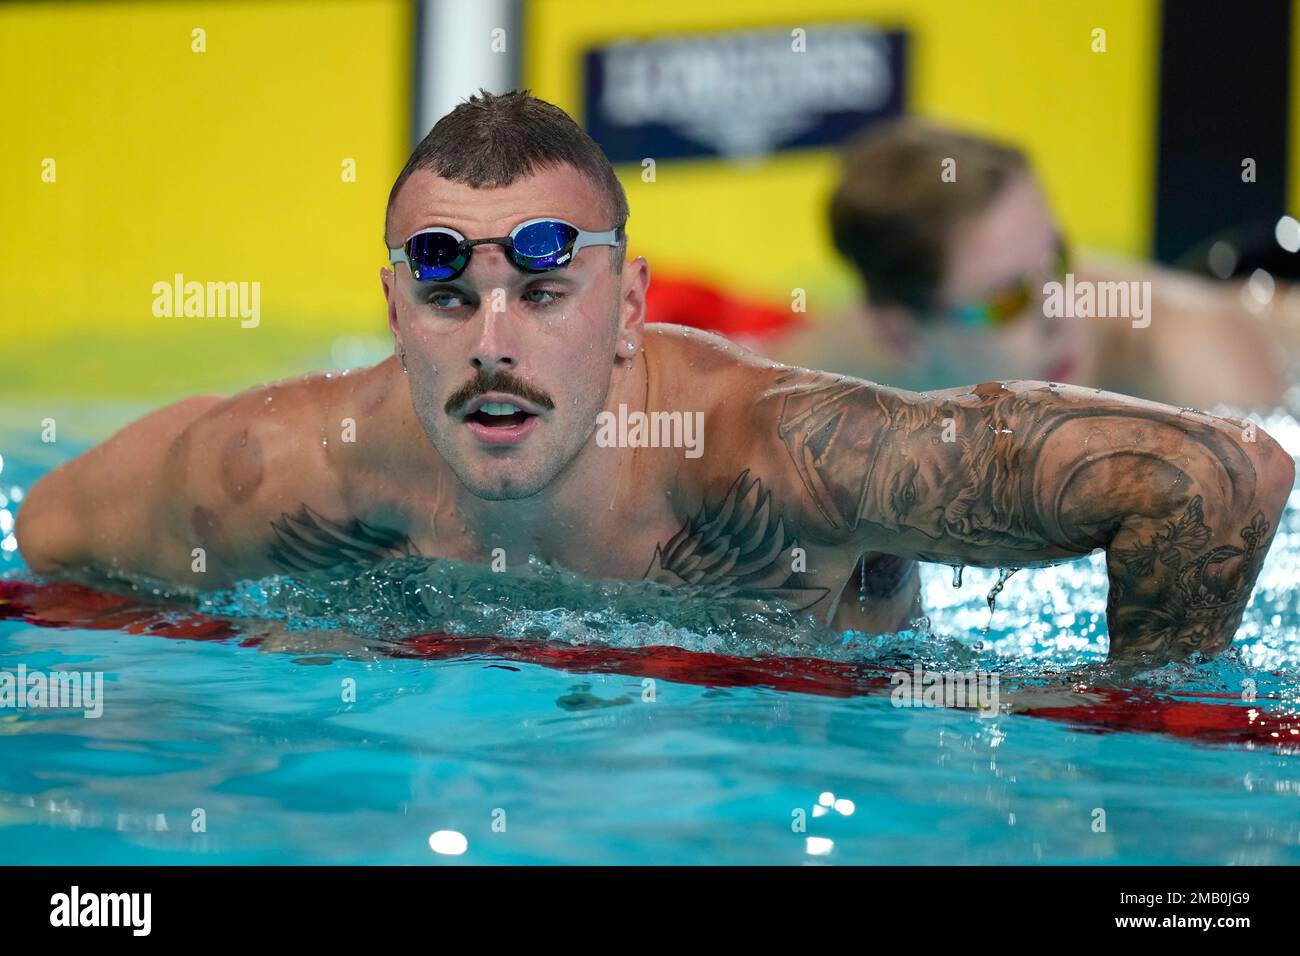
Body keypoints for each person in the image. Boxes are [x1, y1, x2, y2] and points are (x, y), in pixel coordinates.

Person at [15, 91, 1294, 665]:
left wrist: (1132, 738)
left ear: (629, 310)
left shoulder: (785, 459)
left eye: (545, 292)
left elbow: (1221, 471)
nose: (493, 342)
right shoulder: (276, 472)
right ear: (394, 307)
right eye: (449, 294)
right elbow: (43, 539)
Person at [777, 119, 1293, 410]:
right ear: (899, 337)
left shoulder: (1191, 369)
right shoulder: (841, 364)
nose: (1060, 309)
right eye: (1007, 298)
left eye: (1059, 258)